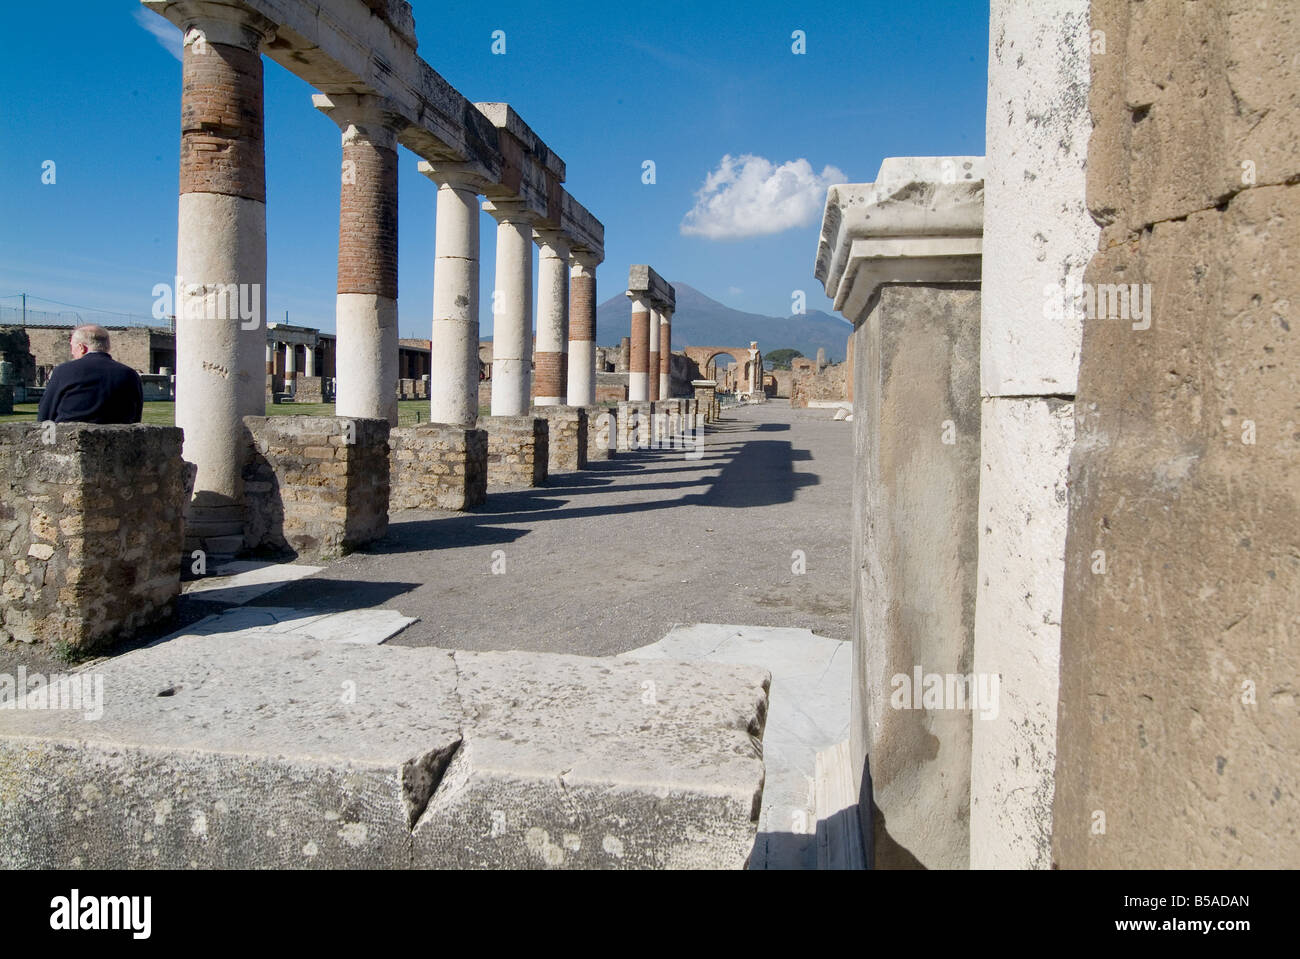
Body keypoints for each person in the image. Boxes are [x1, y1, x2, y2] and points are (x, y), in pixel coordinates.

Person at [37, 325, 144, 424]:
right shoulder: (130, 374)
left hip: (70, 438)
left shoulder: (64, 371)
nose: (72, 352)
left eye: (72, 347)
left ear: (81, 347)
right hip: (118, 439)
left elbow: (46, 414)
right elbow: (136, 418)